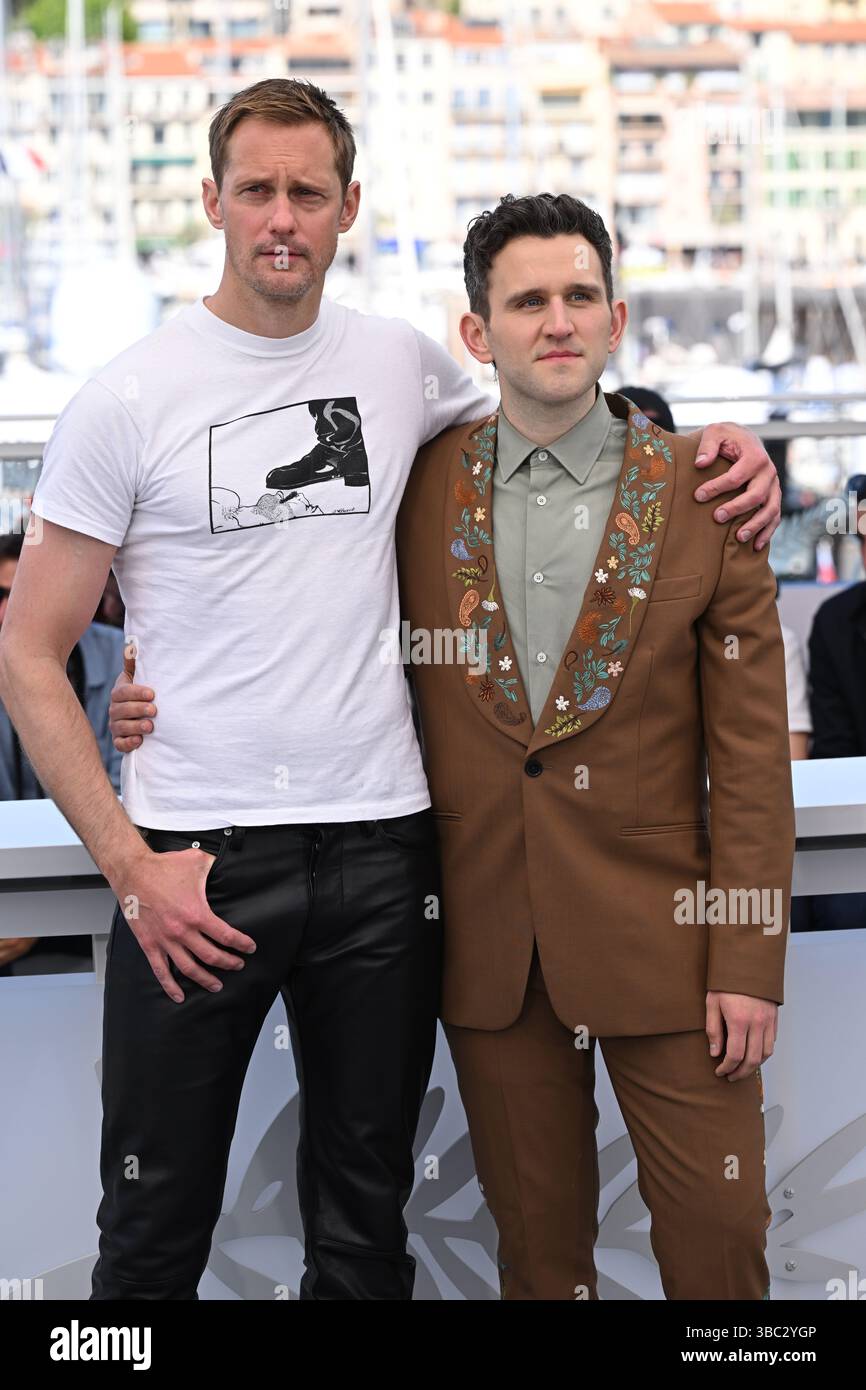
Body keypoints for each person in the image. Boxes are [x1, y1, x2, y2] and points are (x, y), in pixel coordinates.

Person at [1, 80, 781, 1303]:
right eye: (255, 188)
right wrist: (126, 859)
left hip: (383, 856)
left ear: (347, 206)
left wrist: (707, 447)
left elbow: (557, 425)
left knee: (366, 1229)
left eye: (307, 192)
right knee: (147, 1238)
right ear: (210, 200)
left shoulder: (401, 365)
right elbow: (28, 650)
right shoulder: (124, 398)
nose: (280, 217)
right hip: (193, 859)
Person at [0, 531, 124, 975]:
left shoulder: (121, 653)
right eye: (2, 596)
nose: (12, 611)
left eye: (23, 595)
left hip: (110, 885)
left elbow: (130, 788)